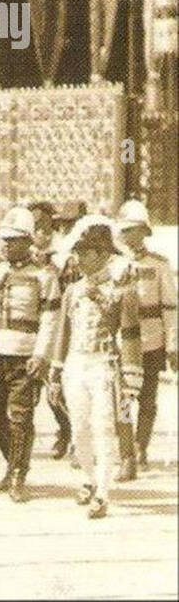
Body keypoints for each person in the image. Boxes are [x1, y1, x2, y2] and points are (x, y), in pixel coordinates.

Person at [48, 216, 142, 519]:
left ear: (103, 255)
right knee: (79, 426)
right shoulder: (72, 291)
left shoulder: (121, 291)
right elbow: (63, 333)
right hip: (76, 363)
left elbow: (129, 335)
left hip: (104, 365)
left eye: (86, 252)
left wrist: (130, 378)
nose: (80, 258)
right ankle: (88, 478)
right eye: (78, 252)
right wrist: (56, 371)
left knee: (104, 427)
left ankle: (103, 492)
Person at [0, 206, 61, 503]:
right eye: (4, 240)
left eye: (13, 240)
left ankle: (18, 474)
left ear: (28, 241)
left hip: (23, 354)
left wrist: (41, 355)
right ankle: (12, 462)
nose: (6, 245)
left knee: (20, 416)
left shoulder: (45, 275)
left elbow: (50, 319)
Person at [114, 199, 178, 477]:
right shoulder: (114, 264)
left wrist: (173, 345)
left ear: (144, 231)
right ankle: (127, 449)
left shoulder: (159, 264)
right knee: (124, 399)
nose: (127, 235)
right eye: (124, 230)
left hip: (151, 341)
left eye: (133, 230)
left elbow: (170, 307)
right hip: (121, 342)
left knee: (147, 399)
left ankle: (142, 446)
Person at [29, 200, 74, 459]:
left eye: (46, 228)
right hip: (28, 330)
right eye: (36, 228)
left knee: (55, 391)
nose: (41, 234)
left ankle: (67, 431)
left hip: (56, 327)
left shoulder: (63, 258)